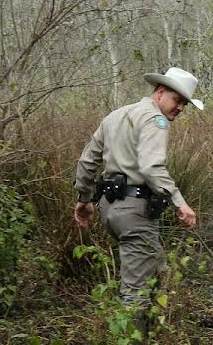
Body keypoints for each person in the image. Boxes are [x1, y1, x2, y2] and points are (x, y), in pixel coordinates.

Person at [73, 67, 204, 305]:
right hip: (135, 214)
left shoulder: (115, 116)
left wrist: (84, 200)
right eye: (177, 100)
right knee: (137, 293)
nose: (180, 108)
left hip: (110, 211)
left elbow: (86, 162)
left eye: (184, 103)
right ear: (161, 92)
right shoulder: (156, 120)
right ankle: (131, 340)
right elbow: (152, 168)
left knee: (155, 269)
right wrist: (180, 203)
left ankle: (154, 335)